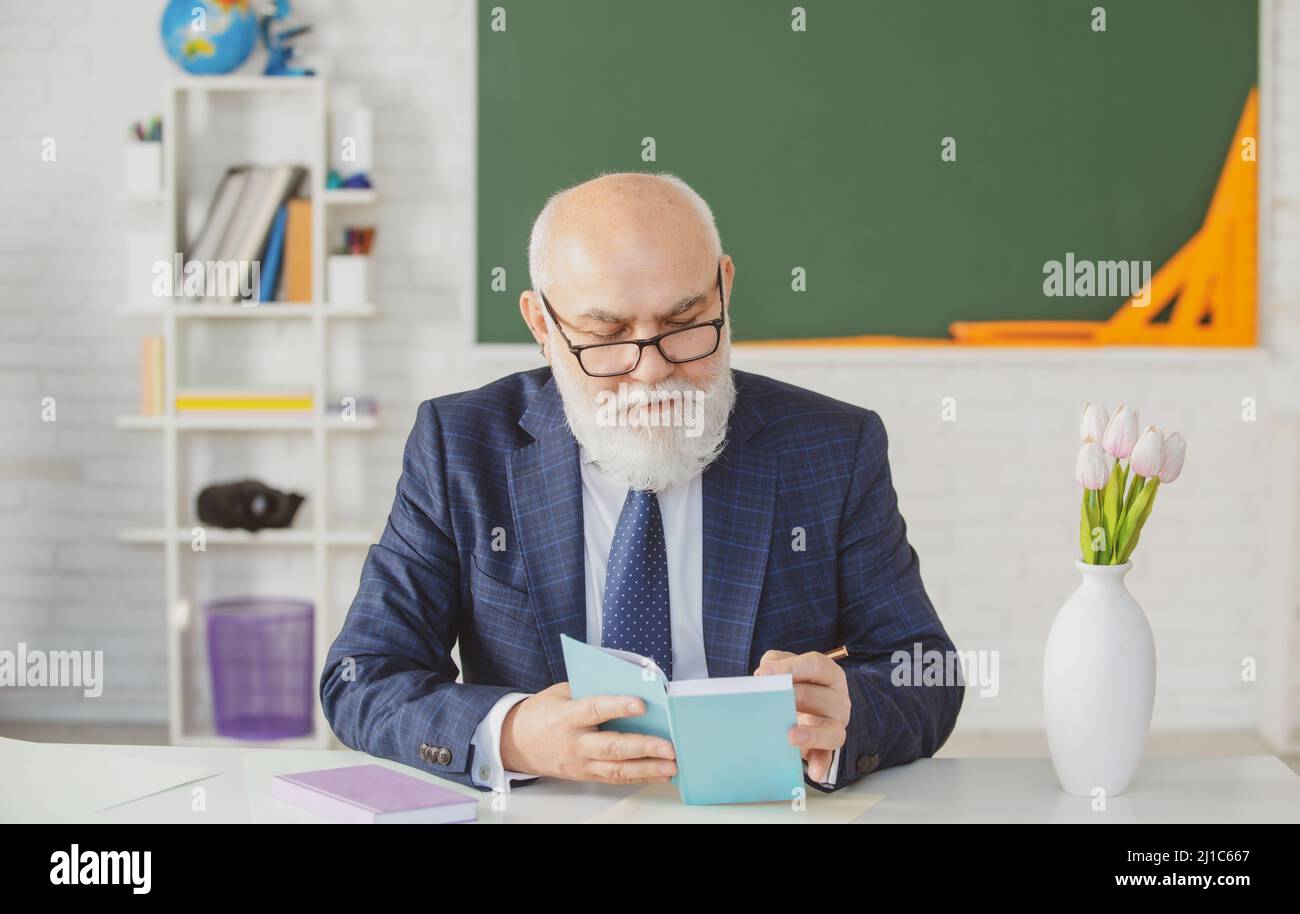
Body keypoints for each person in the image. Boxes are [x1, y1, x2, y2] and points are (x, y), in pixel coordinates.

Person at [321, 172, 963, 793]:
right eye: (607, 336)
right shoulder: (458, 445)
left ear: (725, 290)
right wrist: (514, 733)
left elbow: (925, 670)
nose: (653, 372)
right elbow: (363, 678)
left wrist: (848, 711)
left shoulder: (832, 446)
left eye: (685, 325)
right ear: (543, 326)